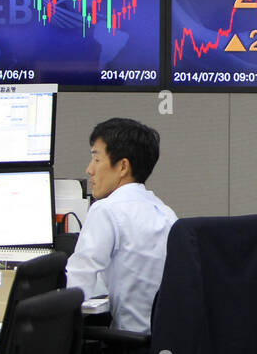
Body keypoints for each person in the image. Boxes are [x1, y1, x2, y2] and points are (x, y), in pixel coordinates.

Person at [66, 118, 177, 335]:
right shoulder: (166, 213)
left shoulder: (106, 210)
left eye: (96, 159)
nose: (89, 170)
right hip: (158, 345)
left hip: (122, 347)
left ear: (123, 167)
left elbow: (78, 284)